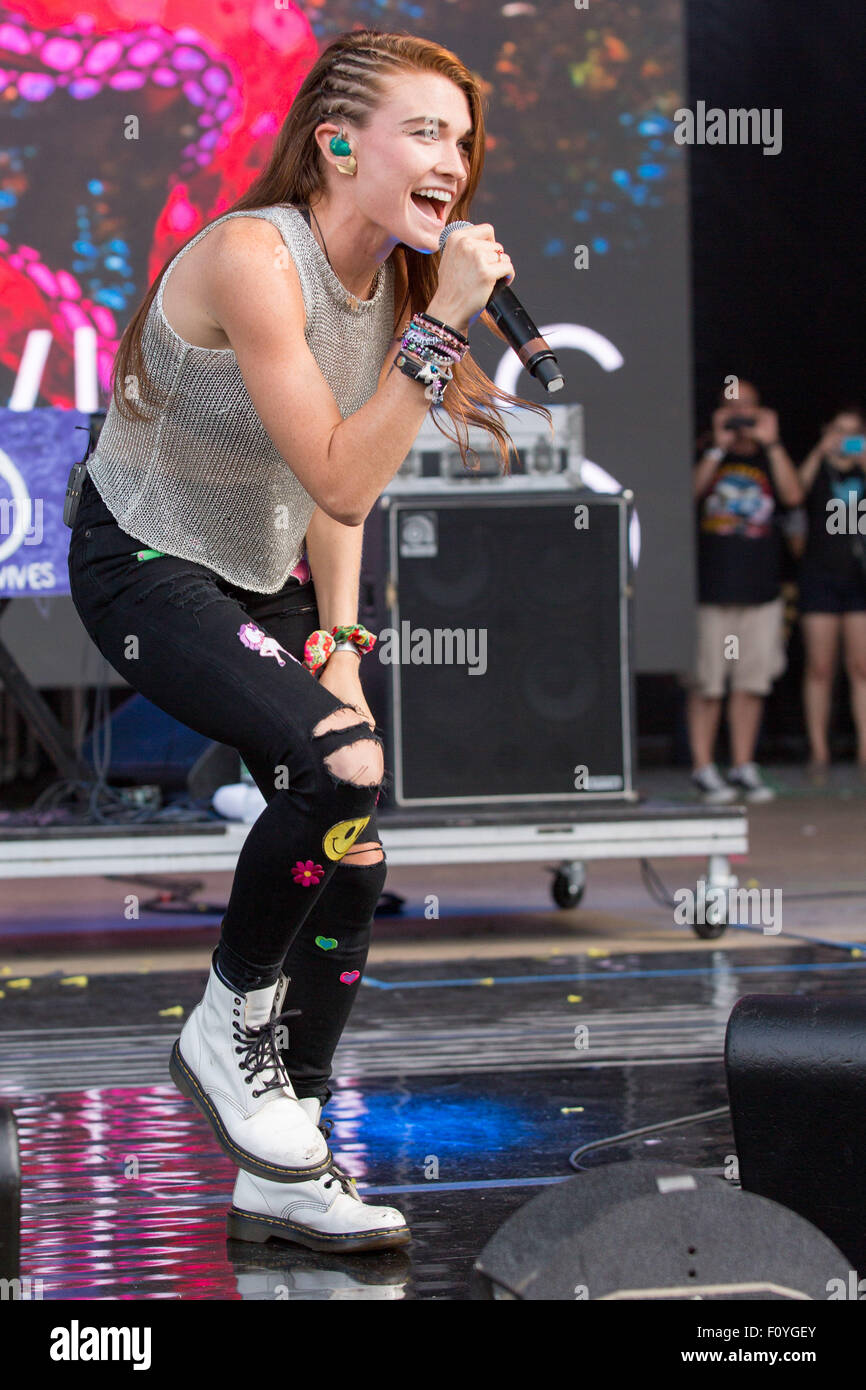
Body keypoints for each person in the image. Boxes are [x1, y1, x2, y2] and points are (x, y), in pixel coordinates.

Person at [67, 29, 550, 1252]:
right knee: (336, 769)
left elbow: (344, 490)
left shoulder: (389, 280)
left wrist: (337, 634)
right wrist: (438, 329)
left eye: (462, 139)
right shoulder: (250, 257)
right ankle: (224, 1022)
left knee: (356, 844)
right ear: (338, 143)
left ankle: (284, 1165)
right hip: (147, 558)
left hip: (263, 573)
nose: (455, 160)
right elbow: (338, 475)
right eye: (424, 132)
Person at [688, 381, 803, 803]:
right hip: (711, 591)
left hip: (760, 592)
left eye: (748, 411)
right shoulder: (706, 452)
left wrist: (770, 444)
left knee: (751, 682)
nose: (741, 421)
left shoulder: (770, 457)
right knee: (708, 684)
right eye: (732, 411)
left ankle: (742, 764)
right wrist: (717, 448)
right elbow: (685, 497)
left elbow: (793, 497)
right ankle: (703, 768)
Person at [797, 408, 866, 781]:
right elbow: (793, 495)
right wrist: (820, 453)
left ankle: (864, 746)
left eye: (855, 433)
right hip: (820, 577)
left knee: (861, 667)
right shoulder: (819, 469)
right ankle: (819, 747)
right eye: (840, 432)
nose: (846, 440)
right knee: (820, 667)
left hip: (859, 580)